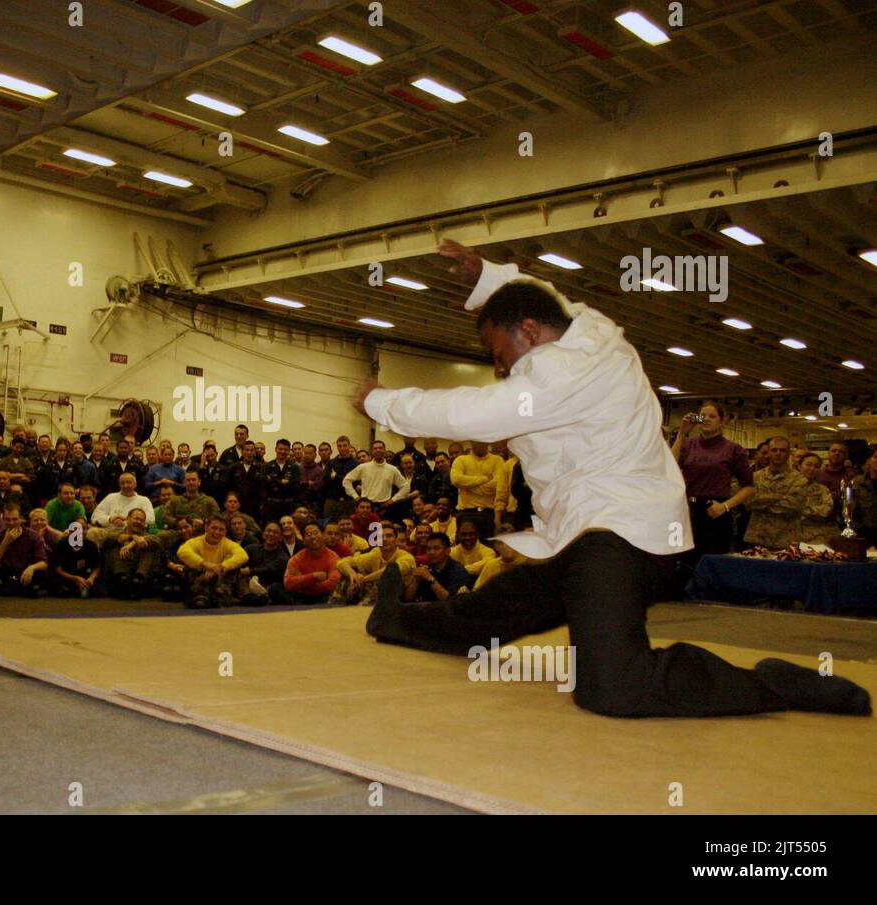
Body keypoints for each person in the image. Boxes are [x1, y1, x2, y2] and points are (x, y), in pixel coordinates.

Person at [355, 239, 870, 718]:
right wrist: (489, 277)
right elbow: (554, 301)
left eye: (499, 355)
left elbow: (473, 414)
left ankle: (770, 682)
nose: (500, 368)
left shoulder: (562, 372)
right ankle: (392, 618)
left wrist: (381, 402)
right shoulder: (592, 330)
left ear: (529, 332)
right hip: (582, 539)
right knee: (483, 617)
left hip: (619, 539)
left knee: (613, 686)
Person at [670, 401, 755, 565]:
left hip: (716, 511)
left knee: (712, 562)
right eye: (703, 416)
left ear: (722, 421)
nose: (707, 419)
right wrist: (682, 433)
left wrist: (726, 506)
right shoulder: (688, 444)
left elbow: (749, 487)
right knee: (682, 562)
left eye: (712, 416)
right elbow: (670, 466)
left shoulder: (733, 449)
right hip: (687, 510)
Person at [744, 437, 809, 549]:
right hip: (757, 538)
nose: (778, 453)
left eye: (782, 450)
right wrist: (779, 497)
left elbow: (793, 506)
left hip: (786, 540)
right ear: (768, 453)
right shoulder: (755, 477)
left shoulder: (799, 479)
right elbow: (748, 503)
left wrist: (761, 501)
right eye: (774, 450)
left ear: (788, 453)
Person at [330, 522, 415, 606]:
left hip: (400, 598)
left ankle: (364, 609)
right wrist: (352, 574)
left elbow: (390, 571)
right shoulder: (376, 553)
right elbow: (341, 563)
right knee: (347, 577)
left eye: (389, 536)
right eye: (380, 537)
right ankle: (334, 607)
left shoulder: (407, 557)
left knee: (380, 582)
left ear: (396, 540)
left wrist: (363, 579)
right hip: (376, 593)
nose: (384, 539)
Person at [176, 514, 248, 609]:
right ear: (206, 527)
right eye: (214, 528)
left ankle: (222, 598)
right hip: (200, 579)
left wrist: (221, 567)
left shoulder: (229, 543)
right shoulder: (195, 541)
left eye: (221, 529)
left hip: (220, 579)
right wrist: (205, 564)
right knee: (191, 569)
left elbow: (243, 556)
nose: (217, 532)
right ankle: (200, 598)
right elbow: (182, 551)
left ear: (225, 531)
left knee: (231, 570)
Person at [0, 506, 50, 597]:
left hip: (27, 573)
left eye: (15, 519)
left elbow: (44, 562)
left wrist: (31, 568)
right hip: (6, 574)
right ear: (2, 520)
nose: (11, 523)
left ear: (21, 519)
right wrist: (5, 542)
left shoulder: (33, 535)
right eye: (8, 520)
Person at [275, 523, 340, 605]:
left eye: (315, 533)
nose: (313, 537)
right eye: (308, 534)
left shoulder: (333, 557)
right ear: (304, 540)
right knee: (275, 588)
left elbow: (333, 583)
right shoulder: (296, 558)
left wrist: (303, 583)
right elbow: (288, 583)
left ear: (323, 536)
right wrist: (313, 576)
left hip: (322, 595)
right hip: (301, 596)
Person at [342, 441, 409, 514]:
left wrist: (392, 500)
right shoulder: (363, 467)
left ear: (385, 450)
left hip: (384, 507)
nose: (378, 450)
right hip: (366, 507)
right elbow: (346, 480)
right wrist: (356, 497)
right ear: (371, 451)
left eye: (380, 448)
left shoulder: (392, 469)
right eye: (375, 448)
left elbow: (406, 487)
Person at [405, 533, 469, 602]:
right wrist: (416, 581)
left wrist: (431, 579)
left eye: (436, 548)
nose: (431, 552)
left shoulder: (458, 570)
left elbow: (451, 601)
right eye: (428, 549)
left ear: (447, 551)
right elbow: (408, 599)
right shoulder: (427, 568)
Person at [49, 520, 101, 598]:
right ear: (70, 531)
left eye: (83, 529)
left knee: (99, 588)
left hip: (85, 576)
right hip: (67, 577)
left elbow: (96, 567)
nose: (80, 532)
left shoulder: (91, 545)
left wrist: (91, 578)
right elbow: (58, 570)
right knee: (58, 586)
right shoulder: (60, 545)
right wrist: (75, 578)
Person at [798, 453, 838, 544]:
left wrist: (803, 511)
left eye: (816, 466)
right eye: (808, 465)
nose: (812, 469)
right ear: (799, 466)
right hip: (790, 534)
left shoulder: (822, 489)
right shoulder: (789, 487)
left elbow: (826, 509)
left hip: (815, 534)